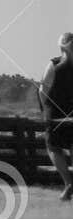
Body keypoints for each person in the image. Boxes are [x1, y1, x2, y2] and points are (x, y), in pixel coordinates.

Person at [41, 31, 73, 200]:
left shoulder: (54, 64)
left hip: (56, 115)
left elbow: (43, 89)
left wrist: (45, 108)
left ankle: (68, 183)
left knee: (53, 148)